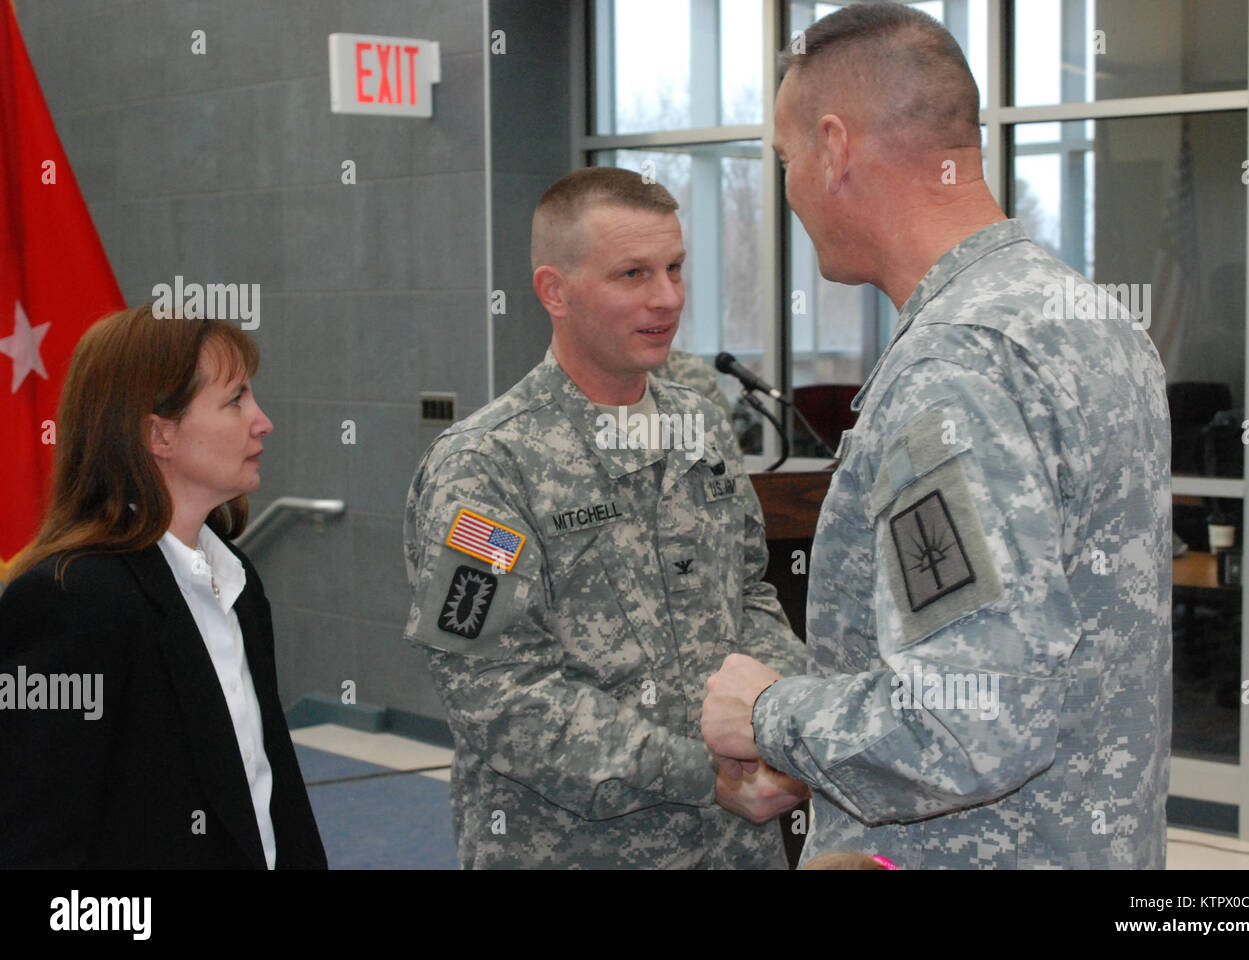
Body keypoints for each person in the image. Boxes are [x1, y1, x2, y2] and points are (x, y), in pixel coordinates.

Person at [702, 2, 1171, 869]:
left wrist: (769, 715)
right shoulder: (1084, 318)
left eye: (785, 160)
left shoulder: (956, 364)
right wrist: (815, 763)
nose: (791, 190)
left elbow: (974, 716)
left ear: (836, 148)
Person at [403, 166, 809, 869]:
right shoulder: (484, 468)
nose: (667, 298)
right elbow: (494, 693)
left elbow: (750, 596)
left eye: (675, 268)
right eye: (632, 274)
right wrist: (701, 774)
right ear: (554, 291)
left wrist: (787, 723)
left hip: (737, 844)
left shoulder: (700, 427)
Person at [0, 306, 327, 869]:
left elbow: (265, 784)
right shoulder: (75, 599)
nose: (262, 421)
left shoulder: (237, 580)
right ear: (158, 434)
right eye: (235, 401)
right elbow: (38, 842)